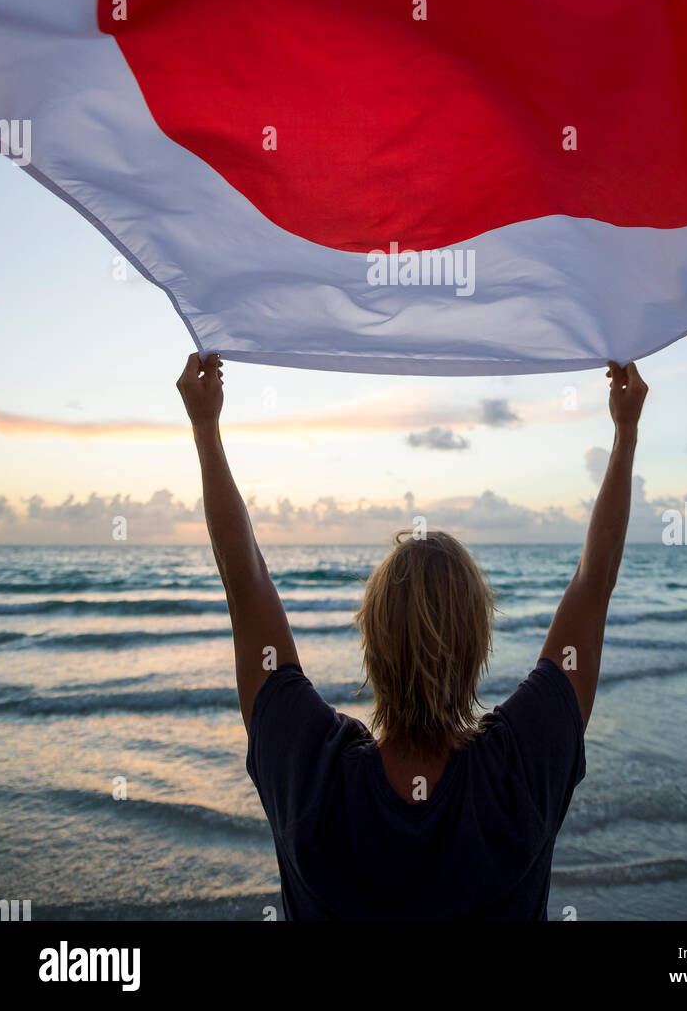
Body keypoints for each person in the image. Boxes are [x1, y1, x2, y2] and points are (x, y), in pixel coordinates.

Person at [177, 352, 648, 921]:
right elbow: (592, 585)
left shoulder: (310, 774)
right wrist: (624, 433)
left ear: (371, 646)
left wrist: (205, 427)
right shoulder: (519, 770)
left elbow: (246, 588)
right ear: (478, 648)